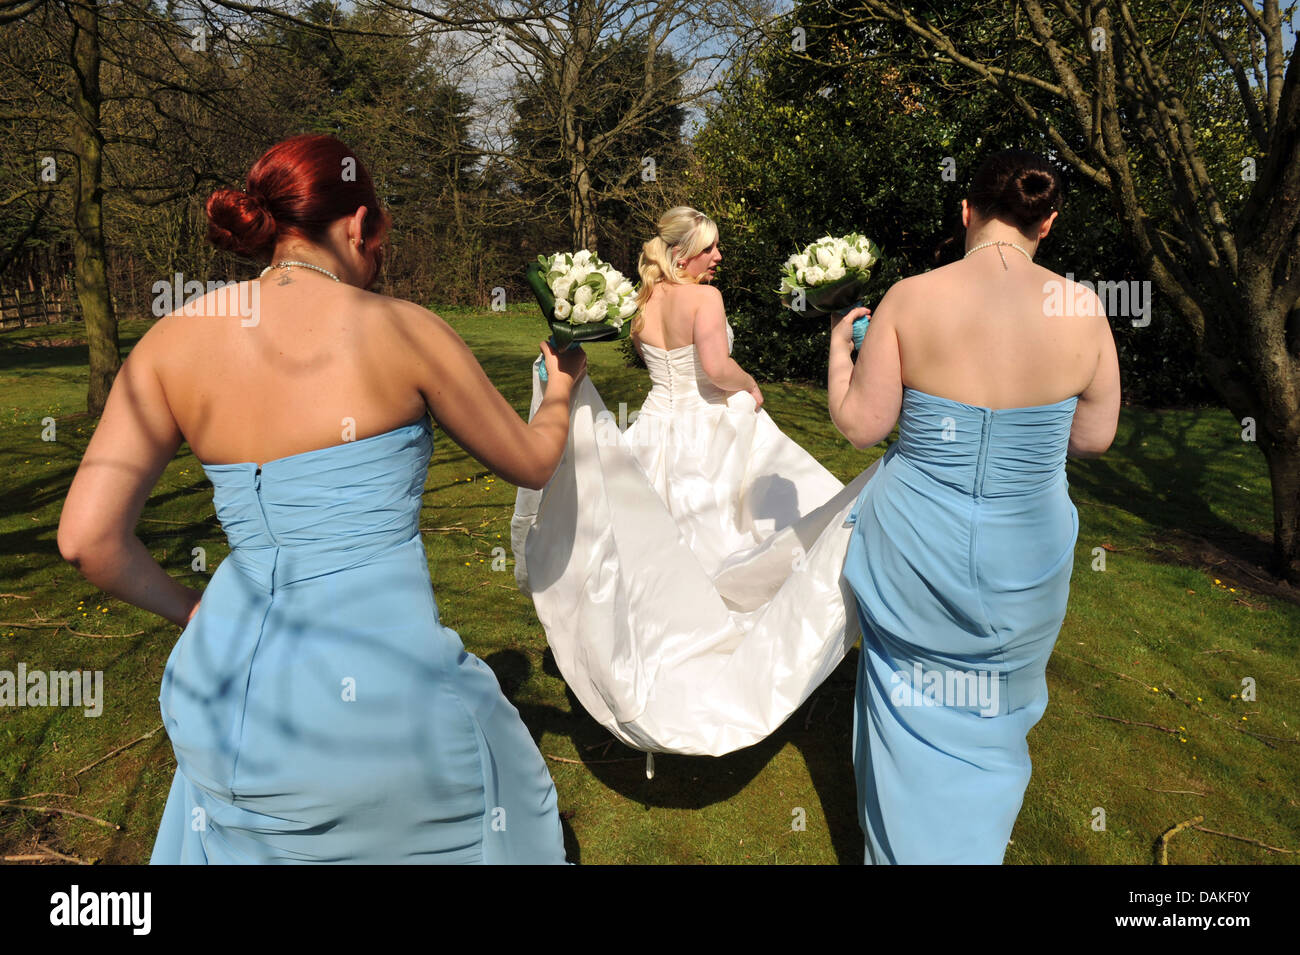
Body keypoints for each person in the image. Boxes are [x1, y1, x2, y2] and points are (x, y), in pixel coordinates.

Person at [56, 133, 587, 863]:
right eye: (380, 240)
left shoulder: (170, 342)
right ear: (358, 225)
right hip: (380, 699)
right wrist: (560, 384)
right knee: (503, 789)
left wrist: (191, 607)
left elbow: (86, 539)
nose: (380, 261)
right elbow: (531, 462)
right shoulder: (405, 330)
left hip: (224, 702)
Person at [830, 149, 1121, 863]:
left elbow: (862, 425)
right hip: (1027, 547)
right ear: (1045, 223)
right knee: (996, 714)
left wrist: (841, 353)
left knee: (905, 700)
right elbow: (1094, 435)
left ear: (966, 211)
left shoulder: (910, 296)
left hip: (916, 543)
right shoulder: (1081, 307)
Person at [510, 206, 881, 758]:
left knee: (662, 540)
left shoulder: (643, 301)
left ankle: (664, 634)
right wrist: (751, 385)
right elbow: (714, 367)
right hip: (707, 426)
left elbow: (658, 364)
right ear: (683, 254)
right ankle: (739, 636)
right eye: (710, 248)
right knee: (739, 528)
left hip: (655, 427)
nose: (719, 257)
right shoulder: (704, 299)